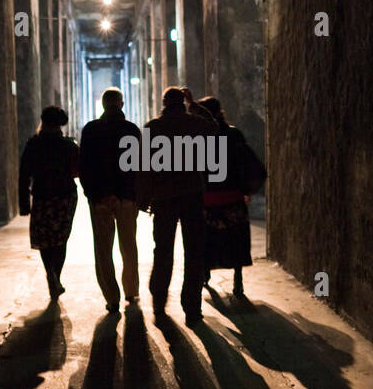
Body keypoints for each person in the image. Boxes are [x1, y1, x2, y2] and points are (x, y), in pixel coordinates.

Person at [136, 86, 219, 327]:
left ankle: (159, 303)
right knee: (194, 253)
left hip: (163, 198)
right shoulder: (195, 123)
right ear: (182, 102)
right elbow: (215, 128)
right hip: (192, 194)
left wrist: (143, 199)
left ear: (163, 103)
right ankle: (192, 309)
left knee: (162, 251)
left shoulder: (152, 128)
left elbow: (143, 168)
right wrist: (195, 105)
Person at [80, 88, 141, 313]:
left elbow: (85, 166)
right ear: (121, 104)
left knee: (103, 250)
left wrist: (94, 194)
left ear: (104, 105)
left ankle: (112, 298)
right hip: (126, 197)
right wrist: (135, 194)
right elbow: (137, 166)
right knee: (128, 246)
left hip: (100, 199)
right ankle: (131, 291)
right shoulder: (131, 130)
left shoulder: (91, 130)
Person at [198, 97, 266, 298]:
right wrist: (246, 190)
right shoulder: (234, 135)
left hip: (208, 199)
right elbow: (248, 164)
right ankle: (237, 279)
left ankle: (206, 273)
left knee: (208, 239)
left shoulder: (200, 139)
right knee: (236, 238)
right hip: (233, 198)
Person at [18, 105, 80, 302]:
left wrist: (23, 202)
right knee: (61, 238)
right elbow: (79, 170)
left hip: (42, 195)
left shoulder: (33, 144)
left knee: (45, 239)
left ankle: (50, 274)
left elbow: (24, 174)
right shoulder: (69, 145)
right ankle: (57, 276)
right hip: (65, 196)